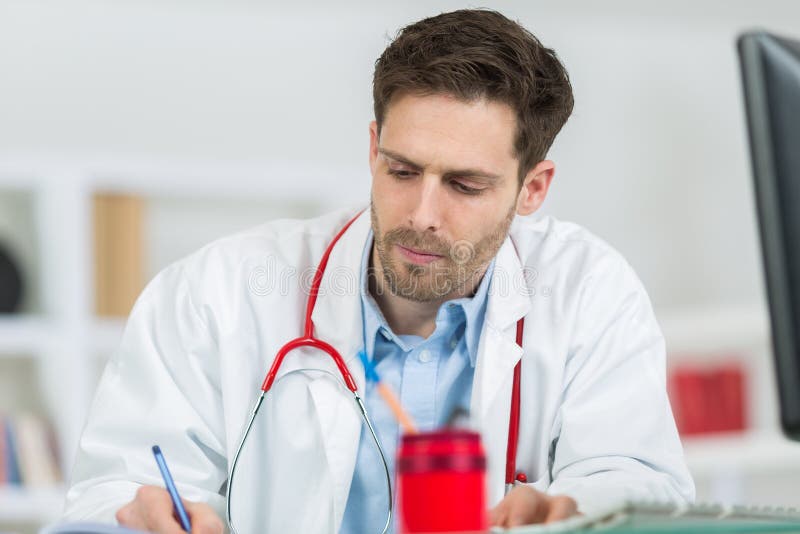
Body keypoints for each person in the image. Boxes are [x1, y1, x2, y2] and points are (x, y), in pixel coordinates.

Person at [63, 8, 695, 534]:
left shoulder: (591, 293)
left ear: (533, 188)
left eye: (464, 185)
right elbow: (109, 492)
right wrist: (133, 517)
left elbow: (640, 485)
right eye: (401, 171)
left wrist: (578, 513)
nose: (422, 215)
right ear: (373, 148)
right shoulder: (215, 294)